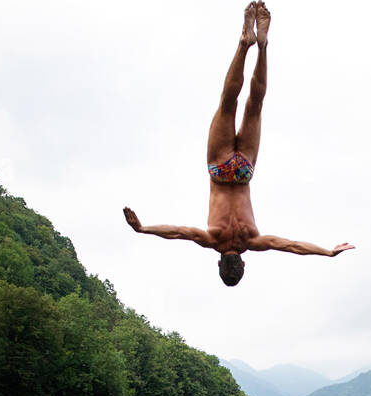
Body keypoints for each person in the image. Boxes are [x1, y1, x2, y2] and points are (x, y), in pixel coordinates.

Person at [123, 3, 353, 286]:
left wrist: (328, 252)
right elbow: (180, 232)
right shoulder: (212, 239)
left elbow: (291, 245)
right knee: (227, 103)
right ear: (220, 262)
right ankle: (245, 44)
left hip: (243, 171)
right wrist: (143, 229)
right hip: (220, 170)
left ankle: (263, 46)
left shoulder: (252, 240)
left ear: (243, 262)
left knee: (255, 106)